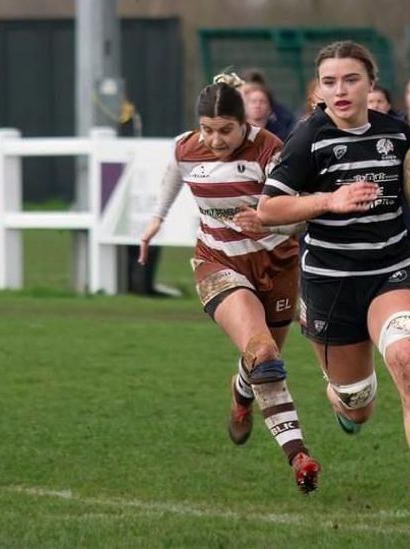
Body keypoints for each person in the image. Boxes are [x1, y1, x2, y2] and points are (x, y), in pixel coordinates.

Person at [258, 41, 410, 526]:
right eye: (330, 82)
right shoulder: (307, 140)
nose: (340, 90)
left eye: (350, 80)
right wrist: (328, 202)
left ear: (370, 84)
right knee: (356, 404)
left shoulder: (399, 135)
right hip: (331, 285)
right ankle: (346, 398)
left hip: (391, 270)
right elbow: (267, 210)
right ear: (319, 88)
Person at [139, 80, 321, 493]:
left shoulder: (269, 149)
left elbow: (303, 214)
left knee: (261, 359)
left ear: (244, 124)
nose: (215, 139)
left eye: (225, 130)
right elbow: (173, 177)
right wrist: (155, 221)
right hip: (218, 261)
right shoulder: (186, 148)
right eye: (207, 129)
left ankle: (241, 395)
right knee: (264, 354)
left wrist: (272, 219)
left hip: (277, 263)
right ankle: (299, 456)